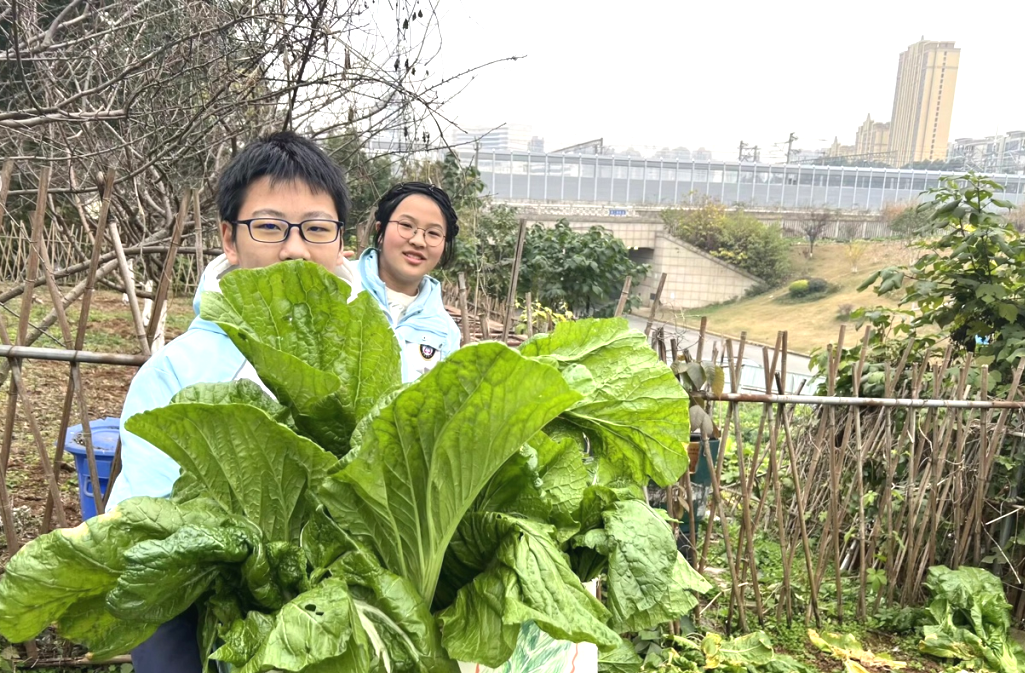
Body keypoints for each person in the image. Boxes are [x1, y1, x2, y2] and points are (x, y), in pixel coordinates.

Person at [106, 130, 356, 673]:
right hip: (202, 615)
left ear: (340, 242)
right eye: (269, 227)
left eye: (316, 228)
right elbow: (146, 524)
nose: (294, 248)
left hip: (341, 618)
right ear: (229, 237)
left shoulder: (369, 362)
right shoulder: (175, 373)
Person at [357, 182, 462, 382]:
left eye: (433, 233)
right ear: (380, 230)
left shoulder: (446, 331)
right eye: (406, 226)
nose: (418, 241)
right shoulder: (341, 284)